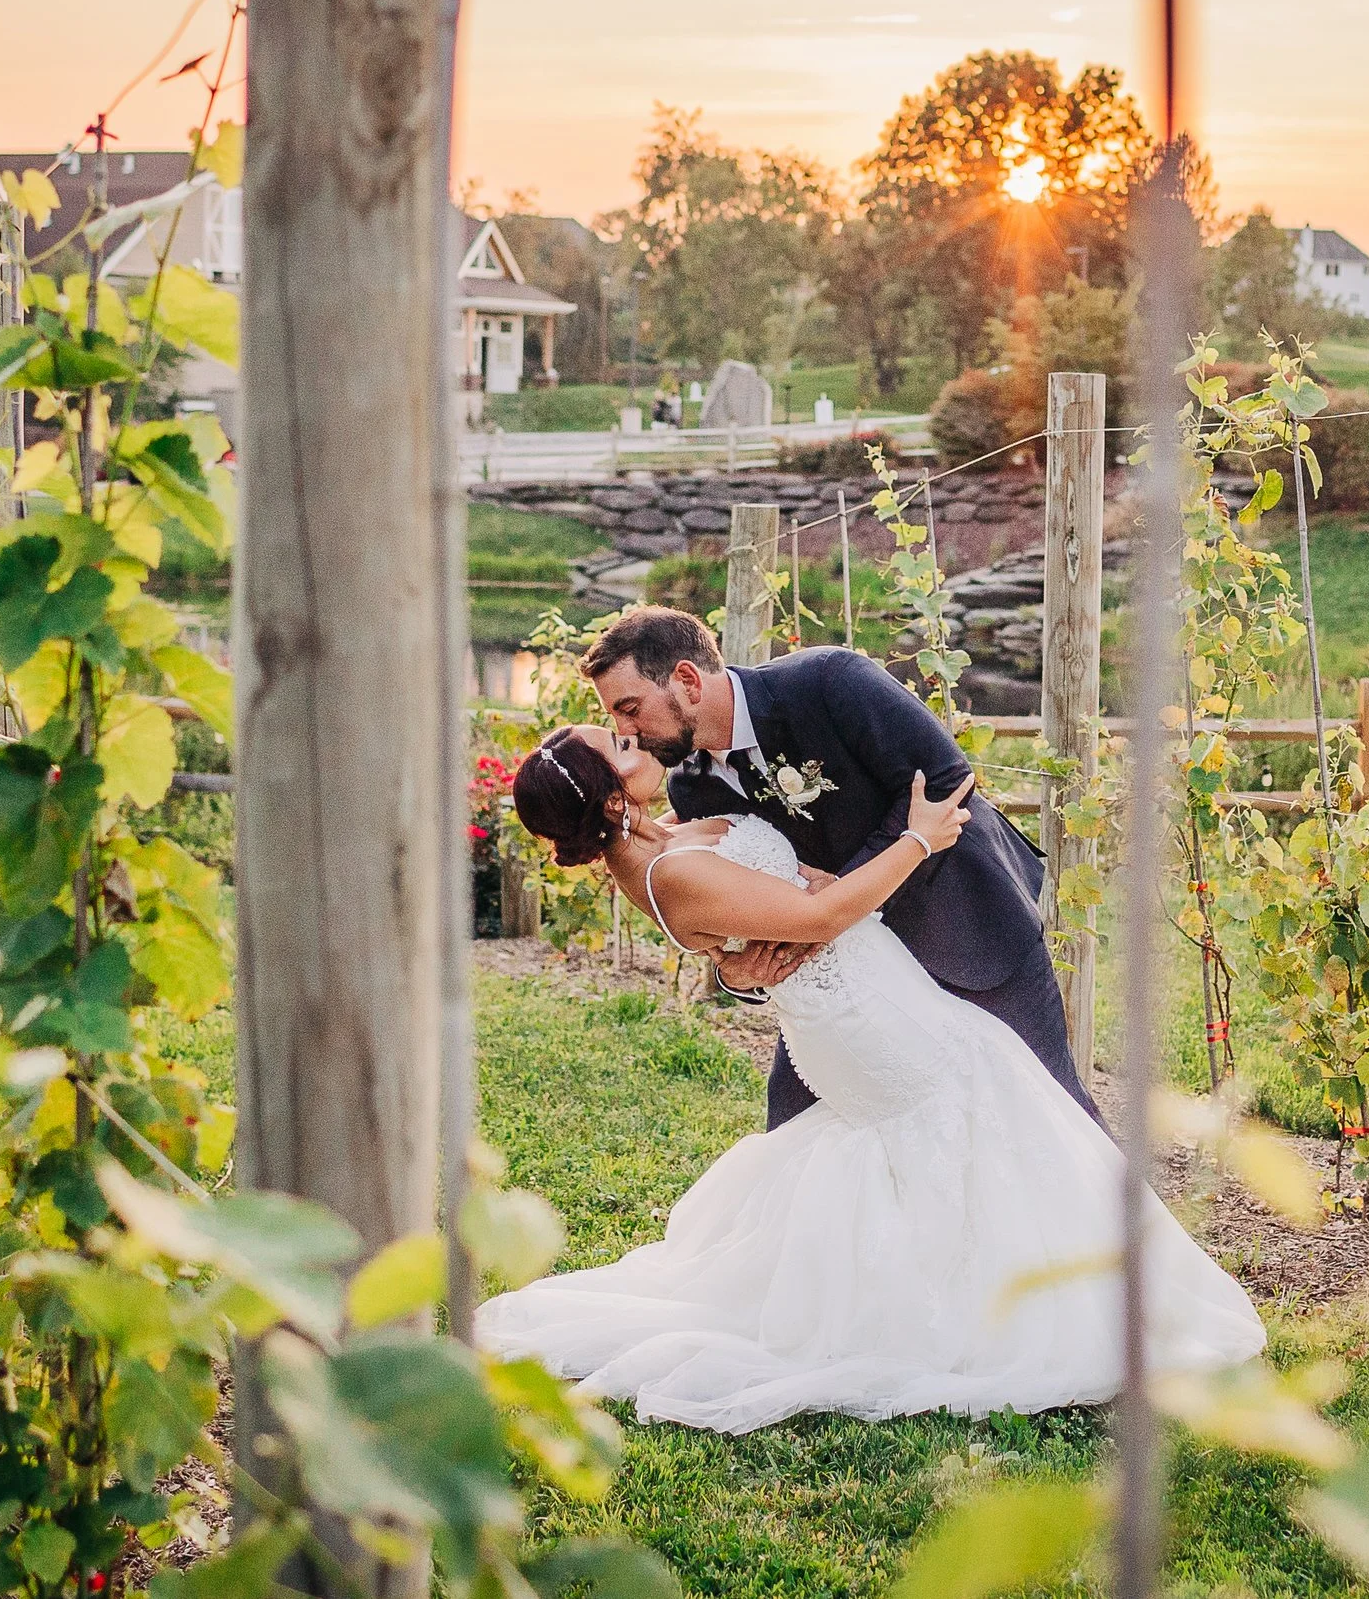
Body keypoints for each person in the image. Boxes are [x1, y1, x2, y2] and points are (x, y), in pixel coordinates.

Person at [474, 723, 1266, 1434]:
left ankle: (1008, 1282)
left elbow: (773, 907)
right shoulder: (667, 874)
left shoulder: (659, 837)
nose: (632, 739)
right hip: (856, 1011)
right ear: (611, 798)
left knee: (966, 1095)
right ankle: (997, 1313)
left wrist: (773, 917)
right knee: (962, 1095)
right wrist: (918, 839)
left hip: (859, 989)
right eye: (616, 748)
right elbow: (814, 921)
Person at [581, 606, 1099, 1130]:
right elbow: (738, 903)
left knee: (1050, 1114)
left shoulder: (828, 681)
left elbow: (945, 780)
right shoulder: (691, 786)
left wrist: (845, 891)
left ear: (687, 681)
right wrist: (736, 975)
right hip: (849, 982)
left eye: (630, 708)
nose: (626, 731)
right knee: (793, 1131)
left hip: (963, 923)